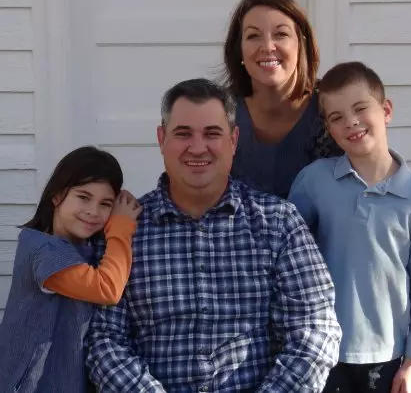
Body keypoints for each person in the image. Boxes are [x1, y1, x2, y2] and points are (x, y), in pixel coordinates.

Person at [86, 78, 341, 392]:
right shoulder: (124, 230)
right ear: (161, 138)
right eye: (183, 134)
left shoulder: (279, 223)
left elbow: (315, 332)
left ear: (234, 141)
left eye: (212, 133)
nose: (197, 147)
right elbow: (104, 339)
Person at [288, 62, 411, 393]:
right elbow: (288, 263)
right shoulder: (314, 181)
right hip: (322, 351)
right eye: (337, 117)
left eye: (360, 108)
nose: (351, 123)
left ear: (386, 110)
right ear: (328, 128)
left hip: (388, 356)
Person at [0, 146, 142, 393]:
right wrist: (121, 226)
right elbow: (106, 288)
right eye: (83, 197)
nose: (93, 211)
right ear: (57, 195)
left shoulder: (85, 249)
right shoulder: (41, 248)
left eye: (106, 203)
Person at [223, 0, 342, 199]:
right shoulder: (219, 112)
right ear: (239, 50)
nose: (268, 47)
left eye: (281, 34)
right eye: (253, 36)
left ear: (301, 44)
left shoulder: (334, 106)